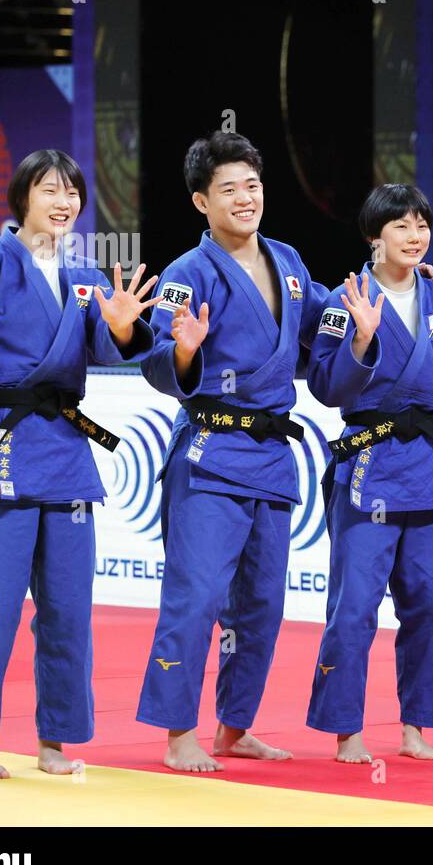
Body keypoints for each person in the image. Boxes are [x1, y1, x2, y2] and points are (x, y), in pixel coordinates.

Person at [0, 149, 158, 779]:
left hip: (65, 456)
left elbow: (103, 351)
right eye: (50, 190)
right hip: (0, 450)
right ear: (22, 197)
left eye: (73, 194)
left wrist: (118, 329)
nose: (64, 203)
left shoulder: (84, 275)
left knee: (67, 610)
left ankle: (55, 741)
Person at [135, 132, 336, 772]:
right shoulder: (184, 275)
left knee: (262, 604)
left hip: (273, 456)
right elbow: (156, 363)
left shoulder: (290, 261)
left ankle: (235, 726)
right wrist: (186, 351)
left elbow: (326, 326)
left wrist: (394, 292)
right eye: (229, 189)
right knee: (195, 598)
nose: (245, 198)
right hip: (211, 452)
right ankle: (176, 734)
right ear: (201, 201)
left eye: (252, 185)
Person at [306, 184, 433, 763]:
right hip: (371, 464)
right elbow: (325, 387)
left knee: (430, 605)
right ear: (375, 237)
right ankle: (346, 729)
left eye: (422, 225)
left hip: (432, 466)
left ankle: (417, 726)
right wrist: (363, 341)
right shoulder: (341, 302)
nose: (415, 236)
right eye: (401, 226)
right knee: (354, 606)